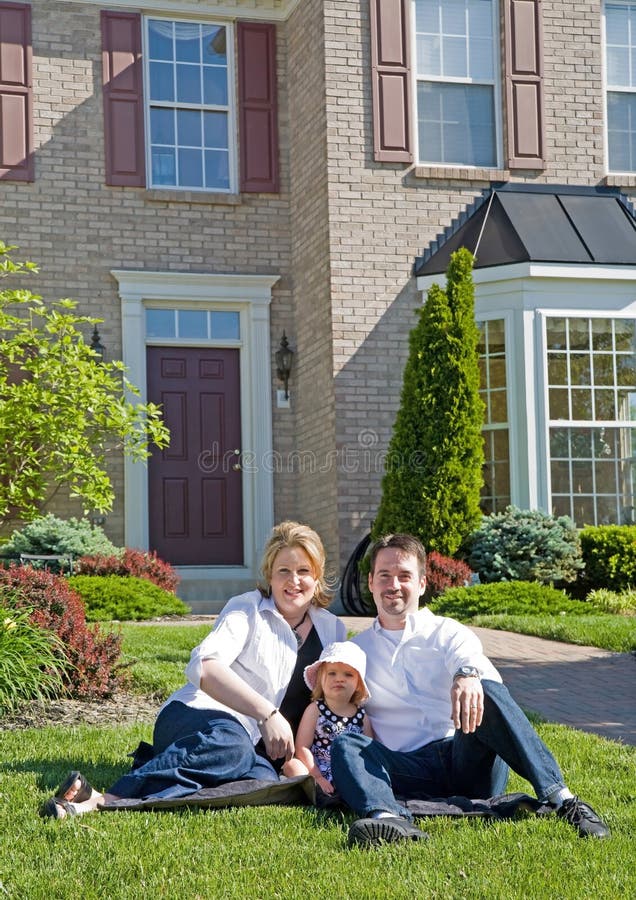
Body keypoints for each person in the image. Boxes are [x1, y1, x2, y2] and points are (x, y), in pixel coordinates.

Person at [40, 521, 347, 819]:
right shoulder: (247, 609)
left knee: (262, 776)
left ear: (318, 577)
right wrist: (267, 714)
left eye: (304, 571)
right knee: (233, 748)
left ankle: (159, 766)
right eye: (284, 571)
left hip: (258, 749)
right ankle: (105, 799)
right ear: (269, 575)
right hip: (194, 716)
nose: (294, 581)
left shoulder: (331, 629)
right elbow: (205, 666)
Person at [330, 533, 611, 847]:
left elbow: (471, 659)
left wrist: (466, 675)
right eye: (384, 575)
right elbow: (328, 699)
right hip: (407, 768)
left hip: (465, 758)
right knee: (346, 745)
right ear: (371, 582)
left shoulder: (447, 631)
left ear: (422, 584)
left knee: (486, 689)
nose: (393, 584)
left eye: (404, 576)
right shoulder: (356, 651)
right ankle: (388, 820)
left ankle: (563, 799)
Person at [282, 641, 373, 798]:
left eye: (348, 674)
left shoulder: (362, 717)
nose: (339, 679)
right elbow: (302, 746)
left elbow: (370, 751)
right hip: (315, 768)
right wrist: (316, 775)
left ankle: (343, 793)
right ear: (320, 679)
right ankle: (314, 790)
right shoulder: (316, 709)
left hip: (348, 771)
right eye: (332, 673)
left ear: (358, 684)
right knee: (292, 765)